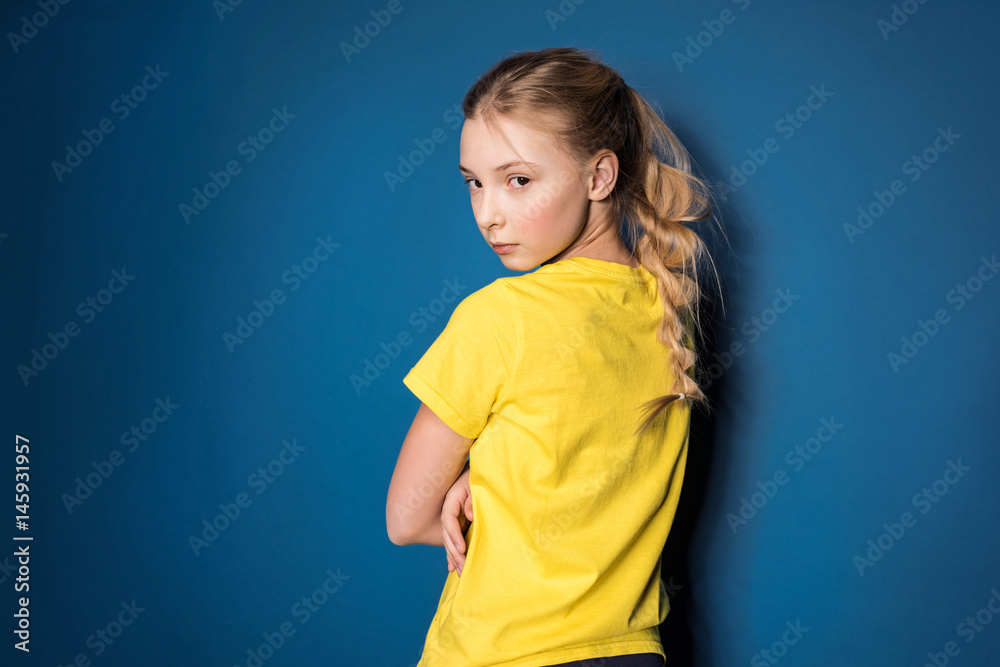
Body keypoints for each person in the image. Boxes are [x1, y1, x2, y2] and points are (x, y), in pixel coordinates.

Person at [386, 46, 723, 667]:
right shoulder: (667, 310)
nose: (488, 214)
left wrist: (470, 495)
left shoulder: (501, 316)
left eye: (517, 180)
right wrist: (487, 480)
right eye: (473, 184)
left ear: (598, 176)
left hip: (503, 654)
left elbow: (406, 520)